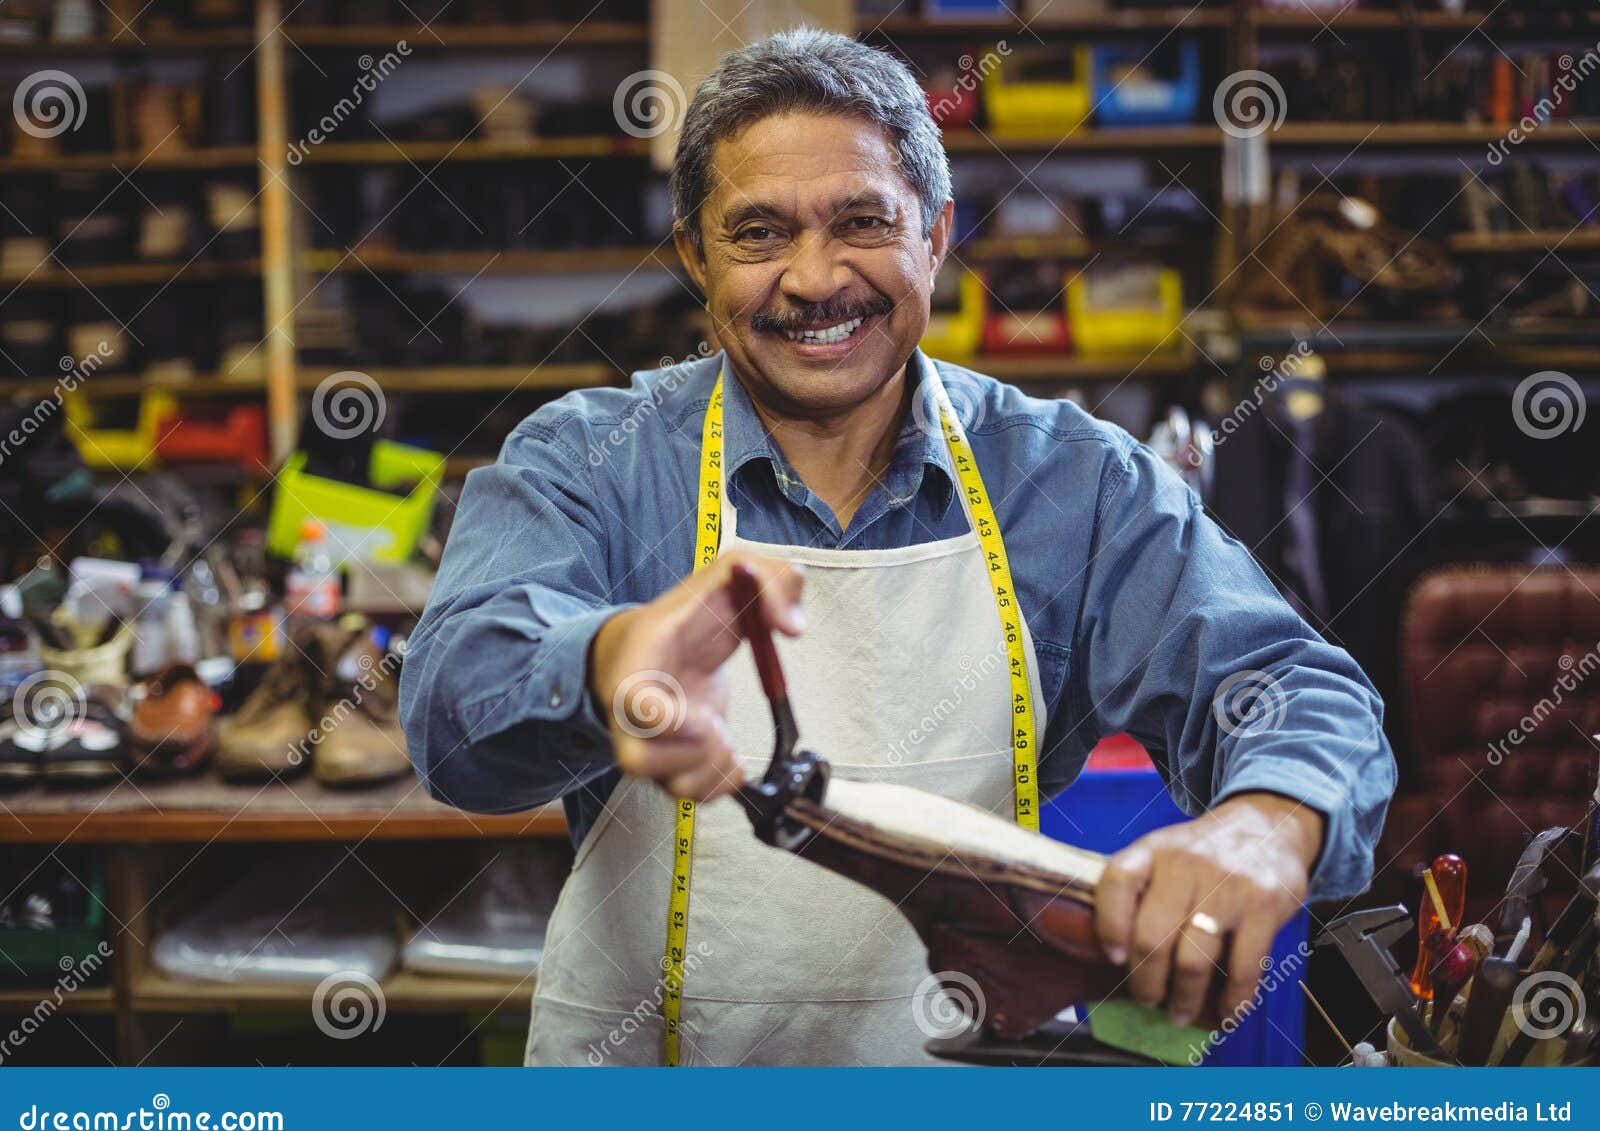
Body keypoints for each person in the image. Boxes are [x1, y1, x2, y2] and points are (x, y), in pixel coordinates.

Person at [400, 28, 1396, 1066]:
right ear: (694, 256)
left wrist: (1266, 821)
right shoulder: (591, 460)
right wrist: (606, 663)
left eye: (863, 222)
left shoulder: (1070, 481)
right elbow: (451, 708)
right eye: (758, 233)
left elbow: (1291, 682)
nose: (813, 277)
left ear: (936, 233)